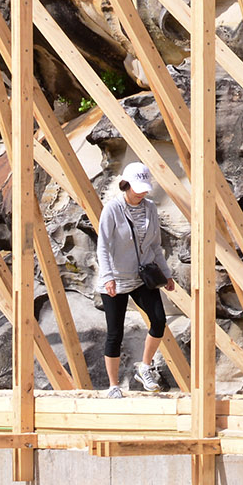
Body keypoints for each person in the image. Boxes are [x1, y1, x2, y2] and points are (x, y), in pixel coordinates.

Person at [96, 160, 174, 395]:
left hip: (143, 277)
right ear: (126, 185)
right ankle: (113, 385)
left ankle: (146, 367)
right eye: (137, 188)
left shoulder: (150, 208)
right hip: (116, 280)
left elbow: (155, 245)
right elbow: (103, 246)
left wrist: (167, 275)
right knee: (115, 333)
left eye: (144, 189)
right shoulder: (112, 209)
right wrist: (108, 276)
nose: (141, 193)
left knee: (159, 320)